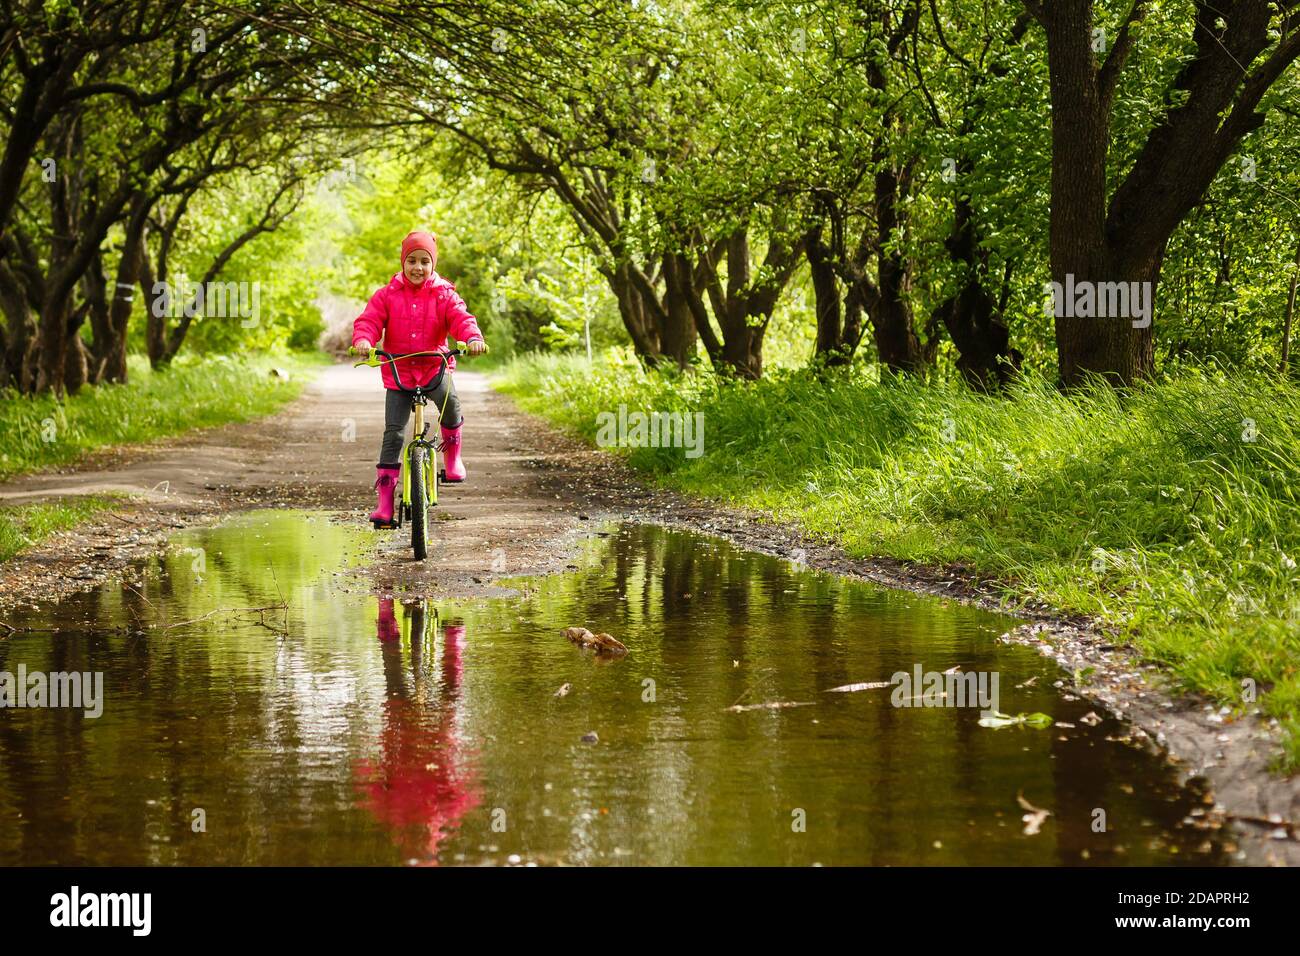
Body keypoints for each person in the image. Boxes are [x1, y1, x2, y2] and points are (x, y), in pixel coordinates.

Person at [353, 230, 487, 525]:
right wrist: (364, 340)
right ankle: (385, 504)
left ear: (433, 264)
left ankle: (452, 459)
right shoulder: (387, 295)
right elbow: (369, 321)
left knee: (450, 403)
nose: (417, 267)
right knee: (394, 435)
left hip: (433, 367)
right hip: (399, 371)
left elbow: (461, 319)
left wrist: (473, 337)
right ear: (402, 263)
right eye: (411, 260)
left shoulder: (444, 293)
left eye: (424, 261)